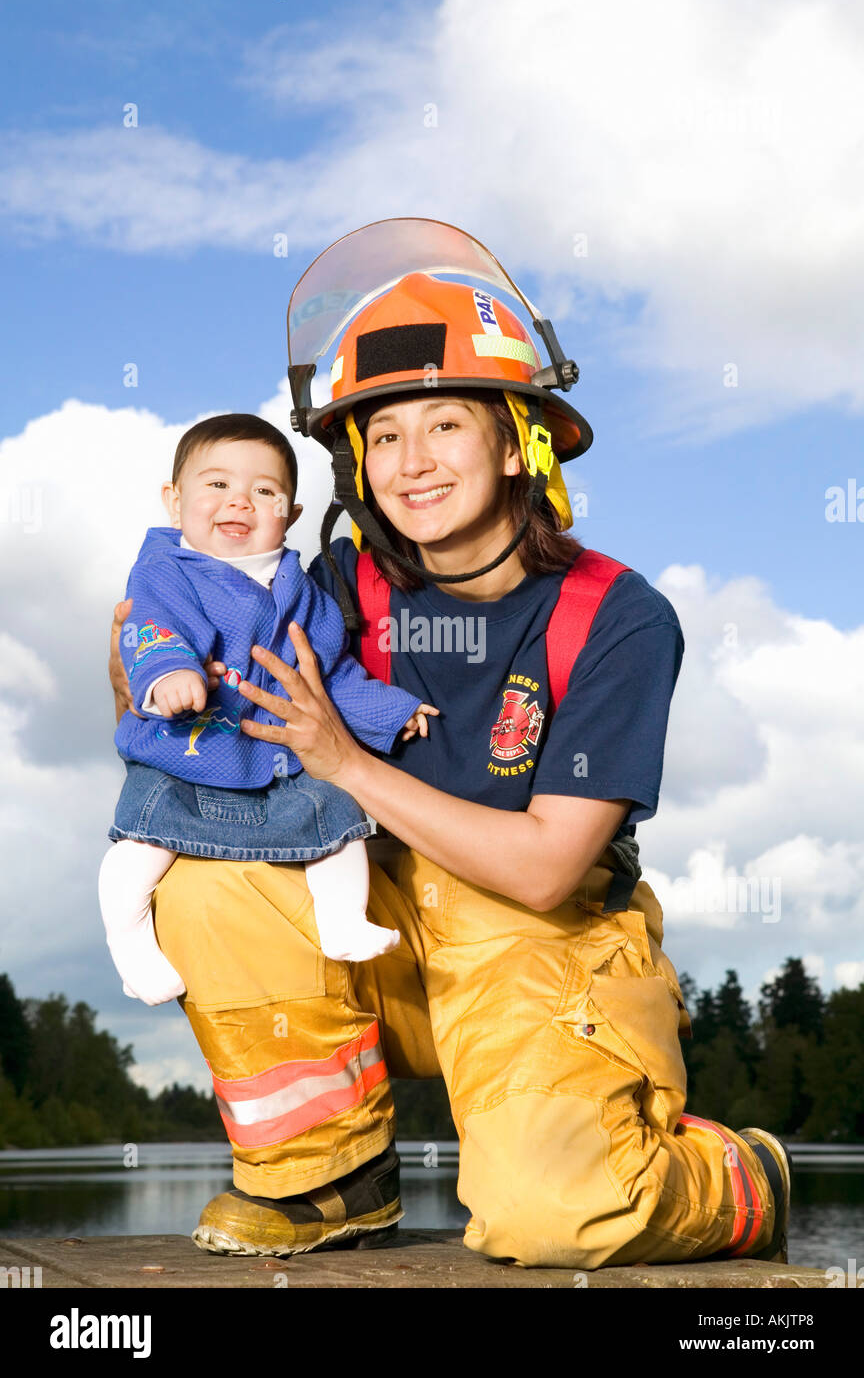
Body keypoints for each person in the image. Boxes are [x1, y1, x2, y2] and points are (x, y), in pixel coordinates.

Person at [109, 220, 790, 1269]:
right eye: (383, 436)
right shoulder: (338, 586)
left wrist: (347, 762)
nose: (410, 463)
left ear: (522, 438)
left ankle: (734, 1178)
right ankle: (331, 1177)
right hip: (383, 914)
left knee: (554, 1219)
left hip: (544, 938)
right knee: (204, 883)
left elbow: (549, 863)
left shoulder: (616, 615)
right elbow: (165, 668)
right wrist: (153, 641)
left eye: (445, 425)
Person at [100, 411, 437, 1004]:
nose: (240, 502)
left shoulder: (301, 592)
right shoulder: (165, 571)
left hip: (273, 760)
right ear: (175, 503)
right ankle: (130, 943)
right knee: (142, 844)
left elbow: (329, 674)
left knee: (337, 821)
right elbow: (149, 629)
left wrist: (390, 711)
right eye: (218, 485)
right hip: (189, 751)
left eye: (264, 491)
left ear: (291, 515)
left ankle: (341, 922)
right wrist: (169, 672)